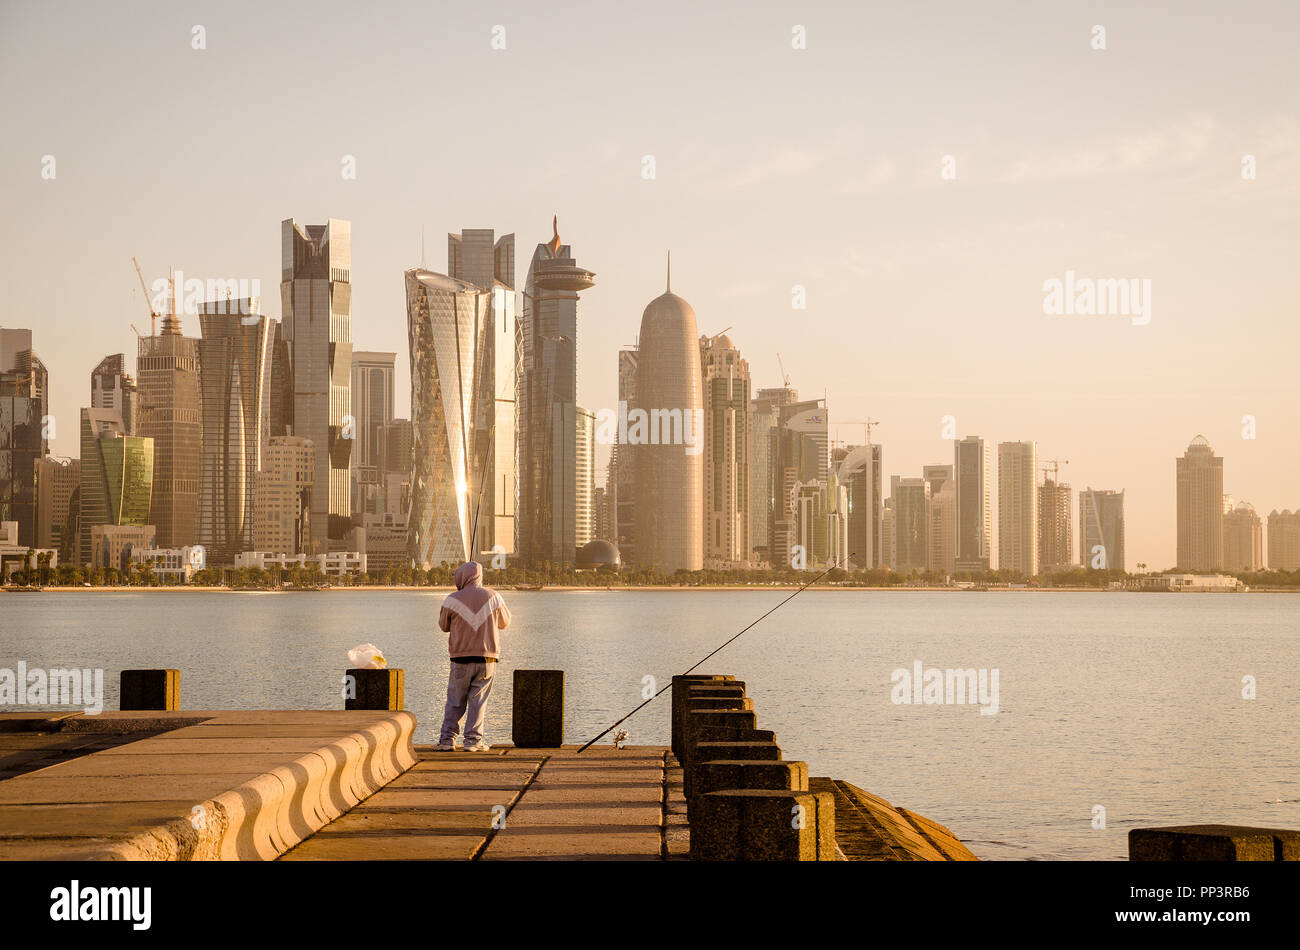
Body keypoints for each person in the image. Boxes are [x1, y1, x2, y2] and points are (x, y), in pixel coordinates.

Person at [436, 561, 511, 751]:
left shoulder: (452, 599)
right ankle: (473, 741)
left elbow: (443, 626)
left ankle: (447, 740)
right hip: (487, 659)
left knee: (455, 699)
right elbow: (505, 623)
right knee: (478, 701)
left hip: (460, 658)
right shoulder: (494, 597)